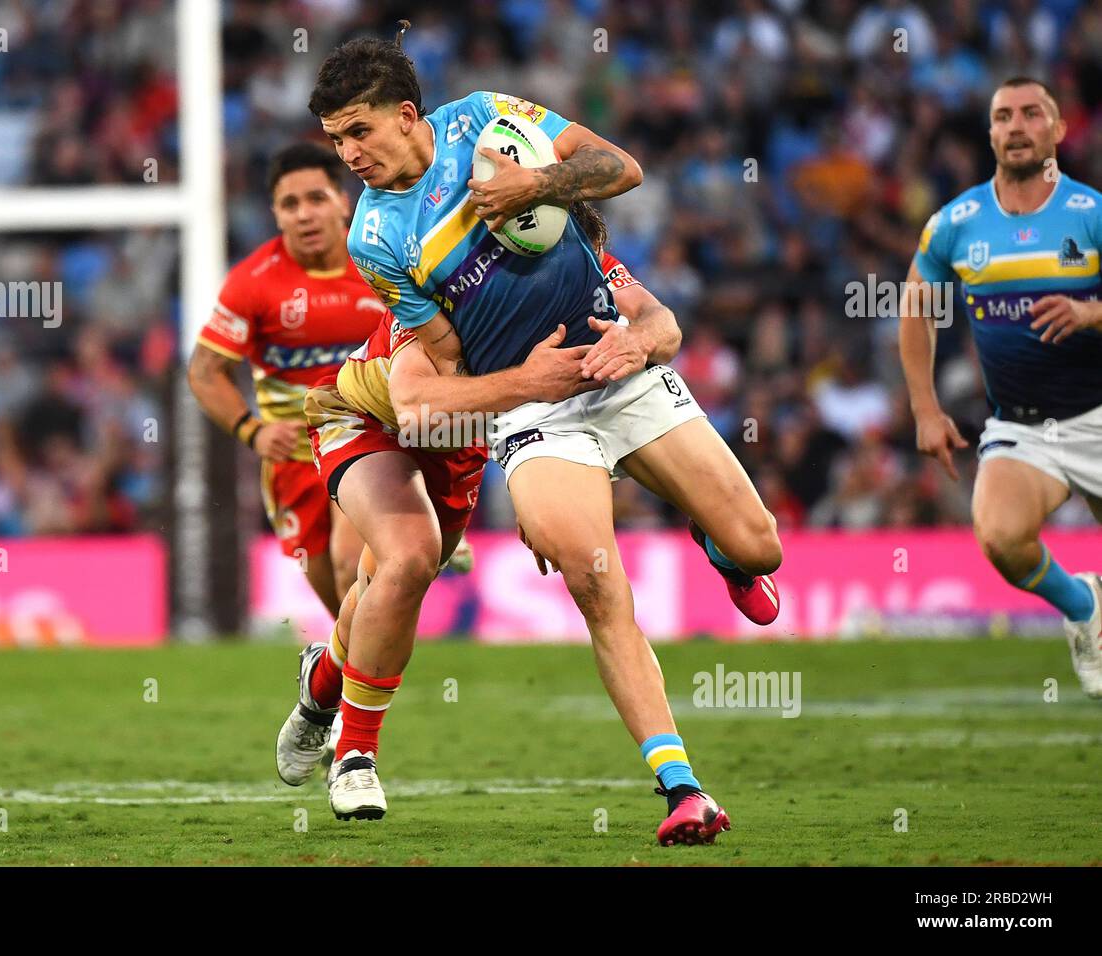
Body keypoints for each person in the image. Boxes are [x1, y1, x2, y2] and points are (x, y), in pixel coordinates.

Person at [303, 23, 784, 846]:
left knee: (762, 545)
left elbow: (619, 169)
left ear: (408, 114)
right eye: (335, 139)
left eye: (358, 131)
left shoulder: (486, 120)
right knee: (598, 585)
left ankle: (719, 541)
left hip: (615, 363)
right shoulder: (374, 238)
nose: (348, 155)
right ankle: (682, 788)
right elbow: (446, 365)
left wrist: (539, 185)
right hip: (533, 413)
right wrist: (520, 413)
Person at [900, 76, 1102, 697]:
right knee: (999, 537)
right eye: (1003, 116)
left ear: (1058, 130)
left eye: (1032, 114)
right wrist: (926, 409)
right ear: (990, 133)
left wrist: (1092, 313)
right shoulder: (957, 223)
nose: (1016, 126)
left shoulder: (1090, 214)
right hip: (1021, 424)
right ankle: (1084, 606)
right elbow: (916, 308)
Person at [187, 143, 376, 615]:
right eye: (290, 204)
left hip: (369, 441)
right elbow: (204, 372)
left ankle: (427, 532)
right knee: (342, 608)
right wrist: (252, 431)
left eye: (316, 199)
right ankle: (345, 682)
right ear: (275, 213)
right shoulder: (254, 282)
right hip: (293, 460)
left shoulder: (380, 260)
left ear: (343, 201)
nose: (305, 215)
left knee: (349, 563)